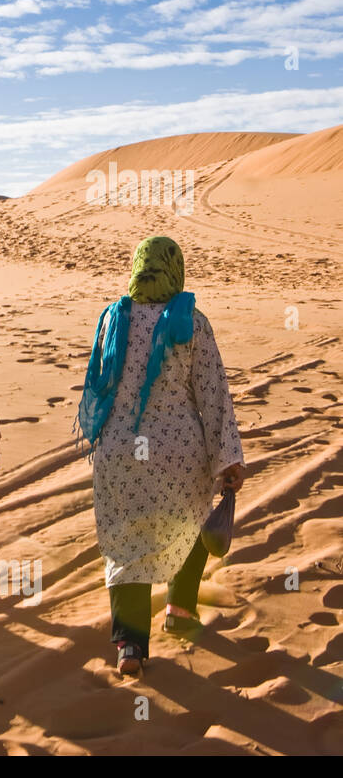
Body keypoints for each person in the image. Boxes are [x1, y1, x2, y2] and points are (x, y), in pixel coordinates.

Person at [75, 235, 244, 675]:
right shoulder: (190, 321)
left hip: (119, 453)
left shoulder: (113, 319)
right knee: (189, 524)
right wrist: (228, 457)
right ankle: (180, 611)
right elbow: (213, 395)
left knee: (127, 544)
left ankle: (130, 646)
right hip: (179, 453)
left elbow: (97, 384)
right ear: (174, 269)